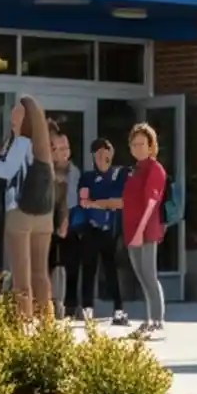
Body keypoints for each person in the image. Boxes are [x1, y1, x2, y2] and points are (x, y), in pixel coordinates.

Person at [0, 95, 56, 323]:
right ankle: (47, 322)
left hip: (20, 212)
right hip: (44, 216)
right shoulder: (41, 146)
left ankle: (23, 323)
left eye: (17, 114)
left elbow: (4, 170)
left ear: (25, 119)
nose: (12, 118)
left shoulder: (21, 142)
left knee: (21, 275)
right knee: (41, 273)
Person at [77, 138, 130, 326]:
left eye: (105, 151)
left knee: (112, 270)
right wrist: (103, 204)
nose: (101, 155)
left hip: (112, 231)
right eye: (97, 152)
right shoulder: (87, 177)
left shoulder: (119, 175)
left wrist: (96, 203)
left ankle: (119, 310)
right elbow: (83, 201)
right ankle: (87, 310)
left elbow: (121, 202)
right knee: (89, 268)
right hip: (91, 230)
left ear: (111, 153)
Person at [122, 123, 168, 340]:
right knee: (141, 276)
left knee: (150, 275)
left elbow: (152, 202)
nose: (138, 148)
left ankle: (158, 322)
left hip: (146, 232)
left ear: (151, 146)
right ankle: (149, 320)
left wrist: (141, 231)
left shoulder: (155, 169)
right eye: (134, 144)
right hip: (131, 231)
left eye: (142, 144)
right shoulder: (134, 170)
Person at [49, 126, 79, 319]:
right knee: (48, 264)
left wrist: (65, 223)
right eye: (58, 148)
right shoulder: (45, 170)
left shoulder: (73, 171)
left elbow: (71, 200)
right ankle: (48, 305)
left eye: (66, 148)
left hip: (69, 222)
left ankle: (70, 306)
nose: (63, 153)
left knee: (71, 265)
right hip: (46, 222)